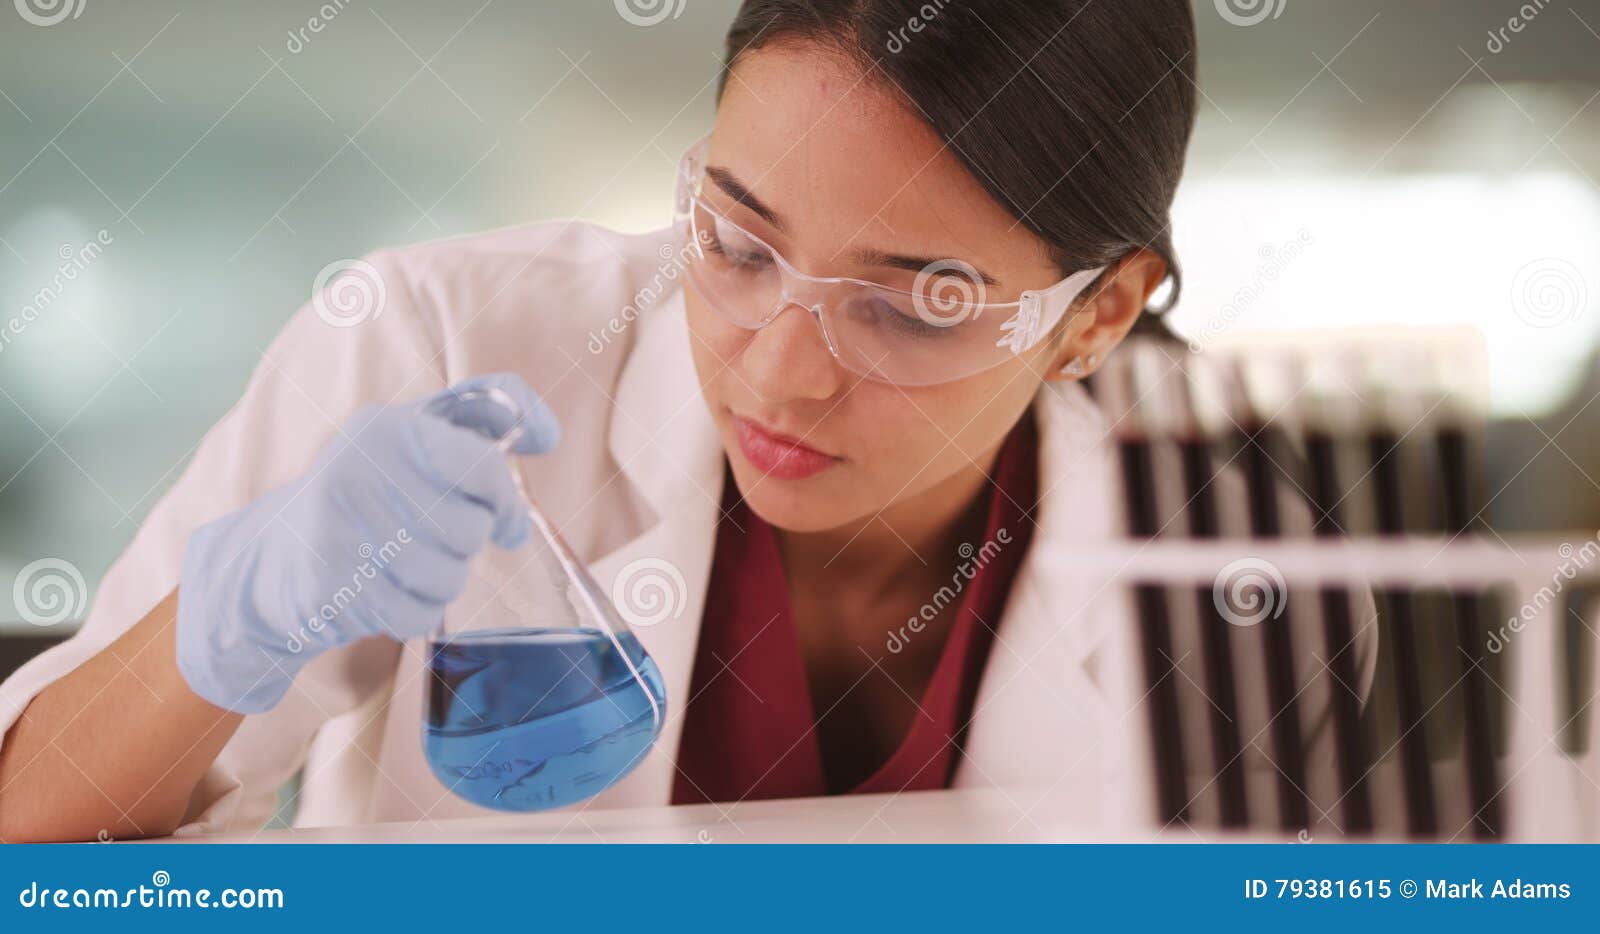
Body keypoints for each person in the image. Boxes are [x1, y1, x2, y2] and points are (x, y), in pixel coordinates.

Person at [0, 0, 1368, 842]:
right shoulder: (444, 347)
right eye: (738, 242)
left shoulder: (1240, 557)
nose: (780, 374)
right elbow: (28, 845)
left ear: (1097, 313)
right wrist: (224, 630)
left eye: (917, 303)